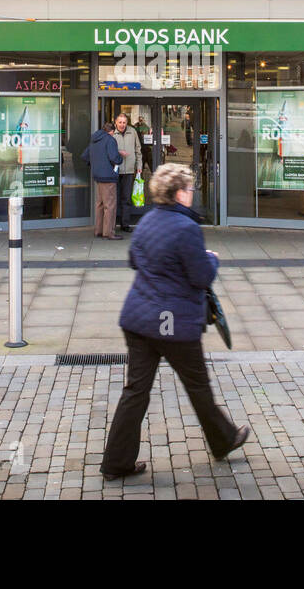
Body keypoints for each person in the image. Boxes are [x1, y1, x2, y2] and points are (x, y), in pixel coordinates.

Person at [99, 163, 249, 481]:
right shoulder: (186, 229)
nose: (192, 195)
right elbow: (201, 276)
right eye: (190, 190)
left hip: (139, 319)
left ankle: (116, 462)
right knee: (197, 386)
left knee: (135, 391)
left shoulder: (148, 221)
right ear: (180, 193)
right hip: (171, 323)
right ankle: (224, 440)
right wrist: (211, 257)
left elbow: (134, 260)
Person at [82, 121, 123, 240]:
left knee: (99, 204)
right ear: (111, 131)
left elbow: (84, 156)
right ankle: (109, 232)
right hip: (108, 177)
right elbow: (114, 157)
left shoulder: (94, 140)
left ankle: (98, 230)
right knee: (110, 205)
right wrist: (120, 158)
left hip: (97, 176)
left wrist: (95, 164)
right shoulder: (110, 140)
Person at [111, 113, 142, 232]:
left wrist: (139, 166)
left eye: (124, 122)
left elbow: (138, 150)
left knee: (126, 199)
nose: (122, 125)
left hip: (129, 170)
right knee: (113, 198)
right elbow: (109, 151)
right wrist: (119, 152)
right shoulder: (112, 134)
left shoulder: (133, 132)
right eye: (120, 122)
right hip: (115, 171)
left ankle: (125, 224)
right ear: (116, 123)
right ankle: (111, 225)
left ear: (127, 123)